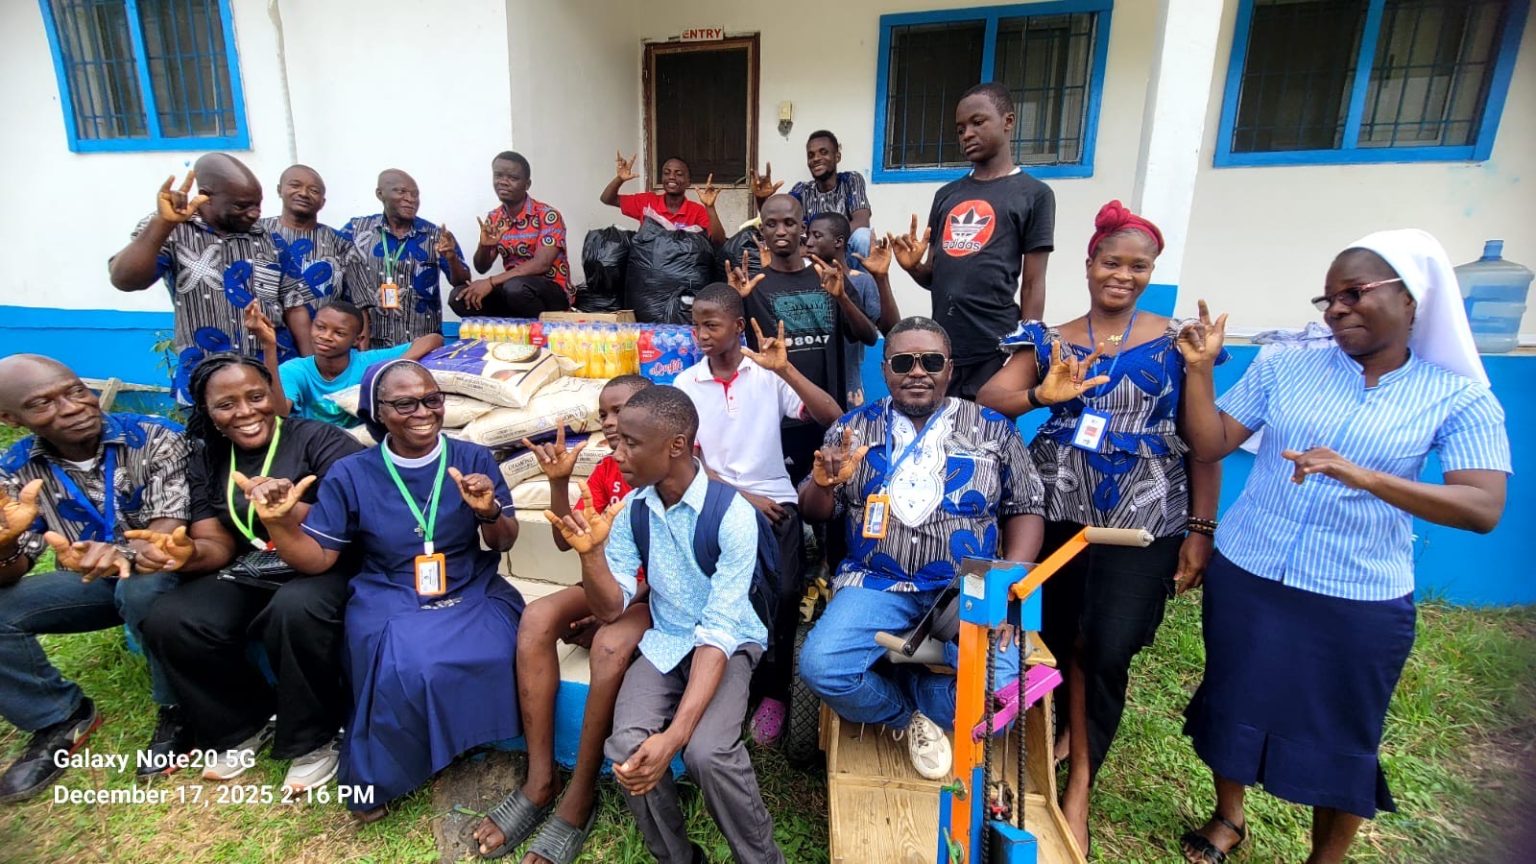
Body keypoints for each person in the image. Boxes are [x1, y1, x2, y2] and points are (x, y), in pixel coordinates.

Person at [1175, 229, 1510, 864]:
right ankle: (1229, 817)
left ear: (1412, 300)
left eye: (1354, 294)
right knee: (1233, 697)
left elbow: (1483, 507)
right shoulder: (1284, 365)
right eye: (1327, 299)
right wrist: (1197, 370)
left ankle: (1324, 859)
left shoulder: (1458, 397)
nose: (1336, 310)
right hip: (1252, 570)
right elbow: (1211, 441)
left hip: (1356, 592)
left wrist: (1363, 475)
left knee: (1343, 731)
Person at [976, 201, 1222, 852]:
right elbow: (989, 399)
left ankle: (1080, 782)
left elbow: (1205, 443)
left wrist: (1201, 528)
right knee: (1053, 638)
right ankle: (1051, 744)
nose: (1123, 274)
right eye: (1111, 261)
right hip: (1055, 508)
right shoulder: (1049, 337)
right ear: (1088, 263)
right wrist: (1041, 396)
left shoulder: (1179, 342)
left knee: (1106, 647)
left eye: (1138, 266)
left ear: (1150, 272)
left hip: (1145, 517)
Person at [249, 359, 524, 821]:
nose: (423, 411)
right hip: (390, 589)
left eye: (432, 399)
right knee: (410, 661)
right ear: (378, 412)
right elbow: (318, 559)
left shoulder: (472, 458)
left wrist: (489, 512)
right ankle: (386, 773)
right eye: (405, 403)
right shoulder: (352, 474)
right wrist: (279, 524)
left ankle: (465, 739)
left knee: (503, 648)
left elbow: (504, 540)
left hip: (469, 583)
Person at [797, 317, 1046, 780]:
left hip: (966, 582)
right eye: (903, 362)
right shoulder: (851, 429)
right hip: (875, 580)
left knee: (1002, 690)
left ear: (949, 369)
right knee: (821, 667)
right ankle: (903, 714)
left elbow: (1027, 506)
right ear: (886, 369)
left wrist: (1011, 584)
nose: (917, 371)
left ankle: (907, 690)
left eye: (931, 361)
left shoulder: (993, 429)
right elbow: (815, 512)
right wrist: (822, 482)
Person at [548, 385, 785, 864]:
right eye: (617, 443)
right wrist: (592, 557)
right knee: (627, 749)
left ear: (676, 445)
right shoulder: (636, 508)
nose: (617, 454)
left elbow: (718, 631)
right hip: (665, 640)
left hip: (727, 643)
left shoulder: (732, 516)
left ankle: (762, 859)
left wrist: (675, 736)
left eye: (630, 443)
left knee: (707, 753)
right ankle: (677, 857)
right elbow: (612, 607)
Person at [138, 354, 363, 791]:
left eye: (256, 396)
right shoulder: (209, 457)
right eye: (226, 404)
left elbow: (357, 517)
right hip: (255, 565)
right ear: (208, 412)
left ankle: (315, 739)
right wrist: (186, 554)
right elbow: (217, 543)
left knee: (296, 609)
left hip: (329, 561)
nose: (244, 411)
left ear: (272, 396)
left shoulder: (319, 439)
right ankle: (241, 724)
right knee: (171, 616)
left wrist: (286, 509)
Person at [469, 374, 651, 862]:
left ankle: (580, 794)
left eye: (623, 411)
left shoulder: (667, 468)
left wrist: (612, 615)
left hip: (654, 596)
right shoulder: (607, 472)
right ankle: (540, 778)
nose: (611, 423)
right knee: (537, 618)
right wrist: (556, 483)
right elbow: (561, 539)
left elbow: (671, 569)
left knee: (611, 646)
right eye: (605, 414)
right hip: (605, 583)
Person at [0, 355, 191, 799]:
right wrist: (5, 543)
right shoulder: (15, 469)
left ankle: (178, 708)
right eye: (43, 404)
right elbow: (15, 569)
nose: (71, 407)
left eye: (75, 390)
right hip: (95, 584)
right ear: (11, 418)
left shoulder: (155, 436)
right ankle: (58, 717)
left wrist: (119, 553)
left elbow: (168, 537)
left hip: (172, 573)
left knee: (143, 586)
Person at [677, 284, 844, 747]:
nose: (701, 335)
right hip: (718, 498)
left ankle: (774, 691)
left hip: (775, 499)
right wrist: (744, 498)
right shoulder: (686, 386)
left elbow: (833, 417)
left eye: (711, 325)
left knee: (785, 589)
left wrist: (786, 369)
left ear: (737, 325)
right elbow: (691, 464)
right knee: (726, 588)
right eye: (697, 326)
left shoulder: (765, 375)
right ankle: (729, 683)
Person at [891, 82, 1056, 400]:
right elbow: (936, 279)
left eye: (977, 122)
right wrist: (913, 268)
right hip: (943, 350)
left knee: (988, 436)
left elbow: (1034, 282)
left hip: (995, 349)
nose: (967, 133)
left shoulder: (1034, 195)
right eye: (960, 128)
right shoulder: (947, 196)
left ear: (1008, 121)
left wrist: (1026, 349)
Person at [108, 154, 316, 403]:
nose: (253, 214)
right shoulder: (175, 231)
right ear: (206, 195)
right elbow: (125, 280)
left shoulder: (269, 240)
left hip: (274, 373)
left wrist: (310, 368)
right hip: (207, 376)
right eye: (241, 206)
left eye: (257, 205)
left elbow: (294, 305)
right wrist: (162, 224)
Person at [727, 194, 877, 485]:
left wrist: (843, 297)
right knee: (787, 507)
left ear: (803, 228)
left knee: (831, 500)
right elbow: (728, 347)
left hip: (829, 414)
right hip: (777, 422)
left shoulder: (827, 277)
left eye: (789, 223)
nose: (780, 231)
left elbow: (868, 336)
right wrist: (736, 300)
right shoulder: (753, 286)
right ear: (762, 232)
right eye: (771, 224)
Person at [248, 300, 442, 429]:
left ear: (357, 339)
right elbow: (280, 413)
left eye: (339, 333)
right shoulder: (295, 370)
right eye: (320, 327)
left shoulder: (367, 361)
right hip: (309, 447)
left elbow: (433, 339)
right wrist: (269, 347)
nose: (325, 337)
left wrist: (395, 365)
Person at [343, 170, 471, 350]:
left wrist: (451, 258)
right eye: (401, 192)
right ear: (380, 194)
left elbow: (462, 281)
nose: (410, 199)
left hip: (421, 344)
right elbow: (338, 270)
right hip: (370, 344)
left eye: (415, 194)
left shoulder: (435, 235)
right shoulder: (357, 230)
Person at [257, 164, 374, 339]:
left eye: (313, 190)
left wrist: (361, 341)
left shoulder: (339, 242)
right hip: (267, 341)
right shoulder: (257, 234)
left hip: (326, 345)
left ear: (323, 201)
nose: (303, 193)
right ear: (279, 190)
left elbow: (358, 299)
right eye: (295, 185)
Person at [452, 151, 573, 320]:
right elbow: (481, 267)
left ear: (527, 184)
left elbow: (542, 264)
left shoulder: (547, 215)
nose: (503, 182)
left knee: (516, 288)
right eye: (498, 175)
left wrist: (491, 282)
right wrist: (485, 246)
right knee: (458, 296)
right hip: (513, 291)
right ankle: (504, 328)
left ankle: (540, 334)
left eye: (512, 178)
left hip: (550, 293)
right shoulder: (495, 217)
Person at [804, 212, 898, 405]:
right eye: (808, 236)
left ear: (838, 241)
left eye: (817, 236)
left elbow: (889, 329)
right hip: (808, 388)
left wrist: (882, 278)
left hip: (848, 390)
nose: (809, 242)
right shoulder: (802, 282)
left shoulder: (860, 281)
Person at [786, 131, 874, 264]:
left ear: (837, 157)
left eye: (823, 152)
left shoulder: (851, 180)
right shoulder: (802, 190)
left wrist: (826, 244)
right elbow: (781, 218)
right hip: (815, 255)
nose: (816, 158)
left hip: (845, 254)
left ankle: (859, 283)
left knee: (863, 237)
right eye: (811, 155)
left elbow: (862, 221)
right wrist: (762, 200)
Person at [601, 152, 726, 246]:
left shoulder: (697, 211)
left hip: (684, 271)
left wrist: (710, 207)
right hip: (647, 270)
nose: (671, 177)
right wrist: (620, 179)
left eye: (679, 174)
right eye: (667, 173)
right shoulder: (647, 202)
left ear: (688, 182)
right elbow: (607, 199)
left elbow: (719, 241)